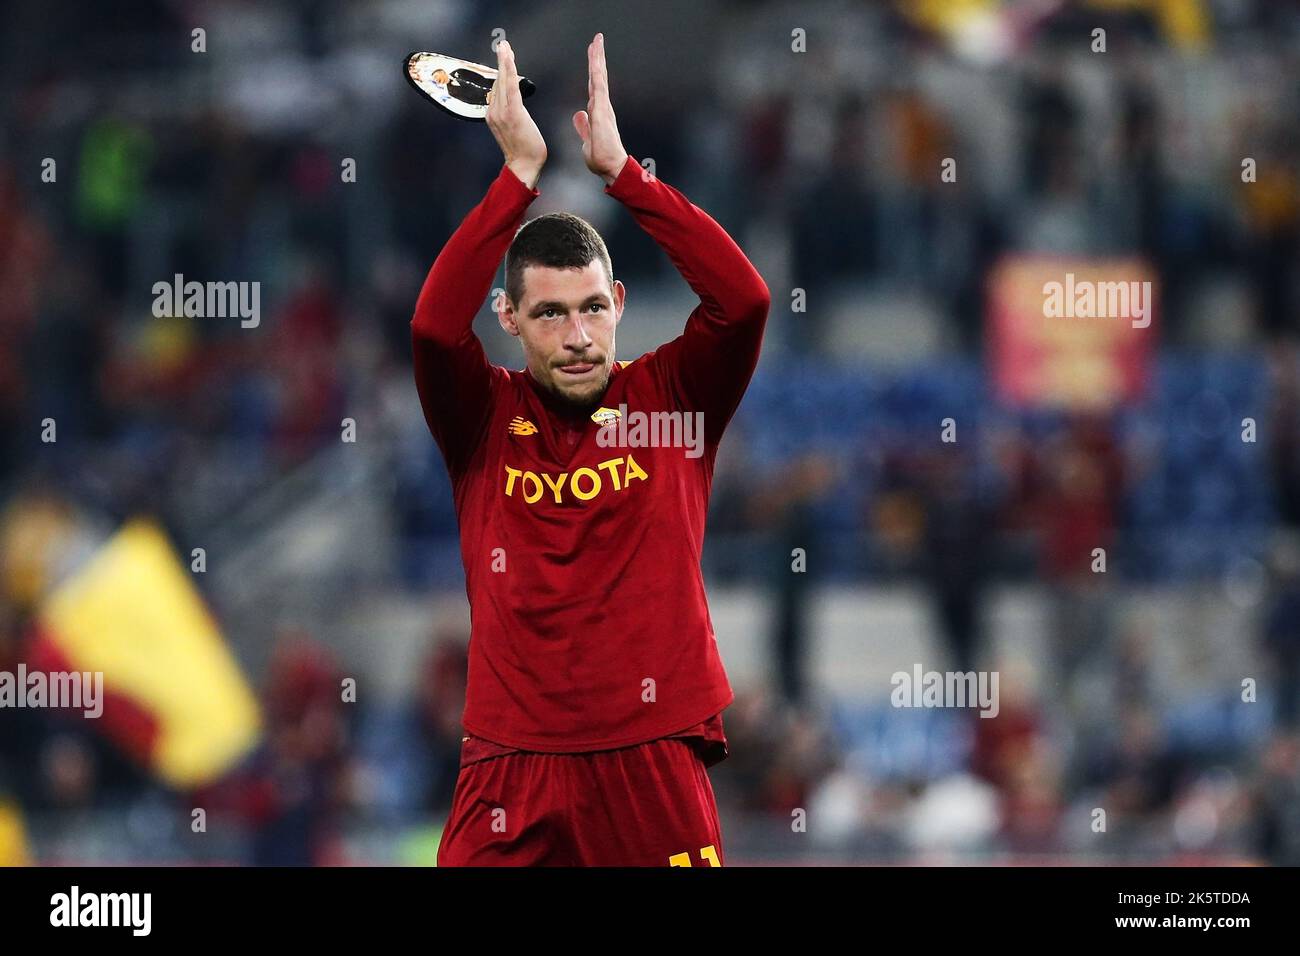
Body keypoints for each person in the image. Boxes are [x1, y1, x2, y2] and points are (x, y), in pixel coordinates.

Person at [412, 34, 770, 866]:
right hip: (511, 762)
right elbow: (433, 327)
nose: (577, 337)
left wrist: (624, 176)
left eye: (590, 309)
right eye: (548, 314)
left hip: (651, 755)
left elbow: (744, 301)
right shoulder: (480, 420)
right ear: (508, 320)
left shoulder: (673, 400)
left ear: (617, 301)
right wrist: (518, 177)